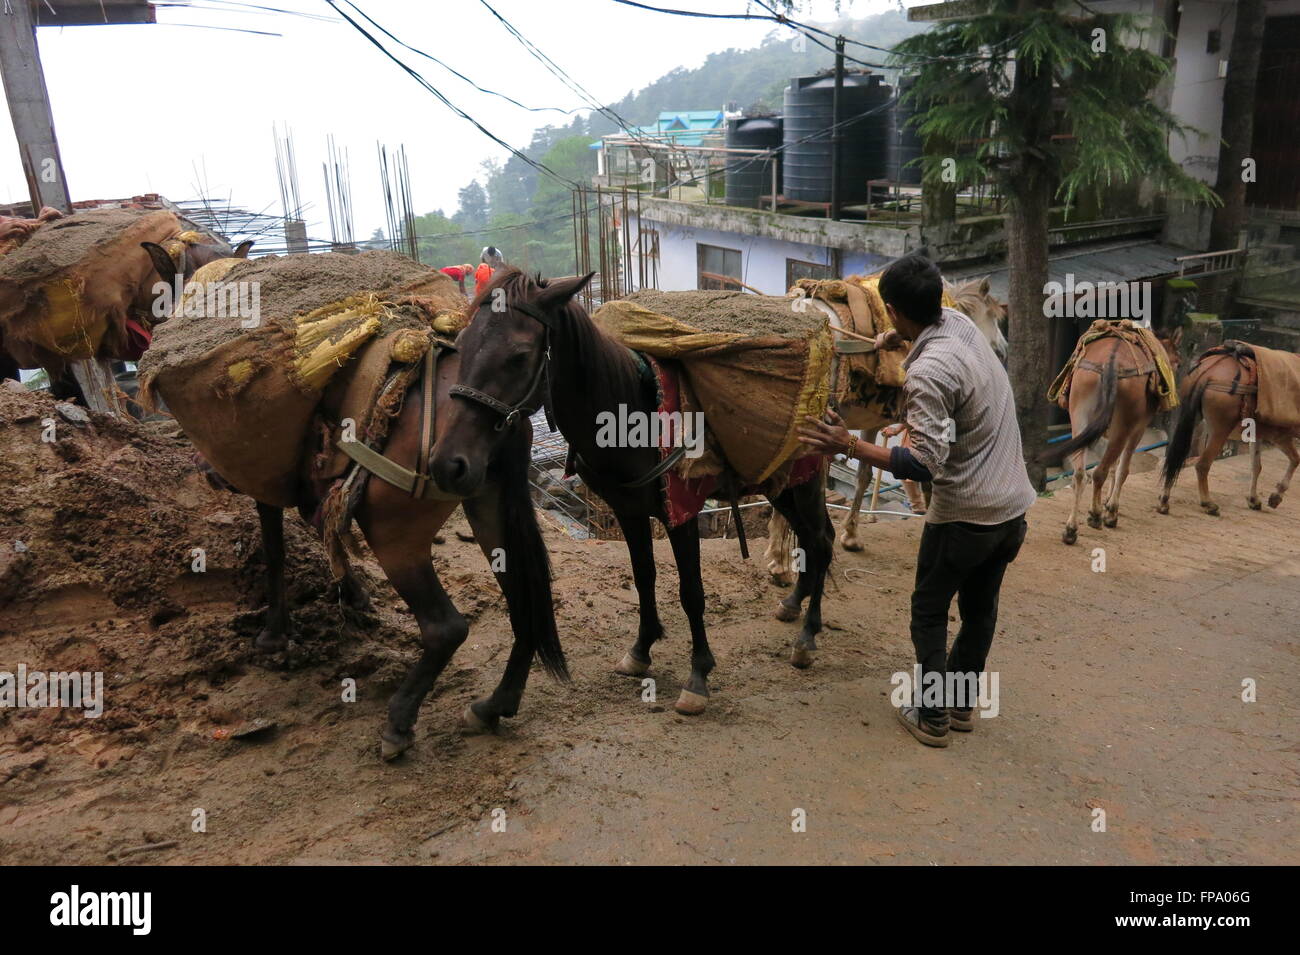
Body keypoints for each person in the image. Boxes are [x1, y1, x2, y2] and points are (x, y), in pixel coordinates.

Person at [797, 252, 1035, 748]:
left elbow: (925, 464)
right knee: (980, 609)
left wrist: (851, 445)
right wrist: (893, 339)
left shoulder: (927, 375)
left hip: (965, 517)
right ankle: (960, 703)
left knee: (928, 610)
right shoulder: (961, 327)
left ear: (897, 310)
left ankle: (930, 716)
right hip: (1013, 510)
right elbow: (926, 332)